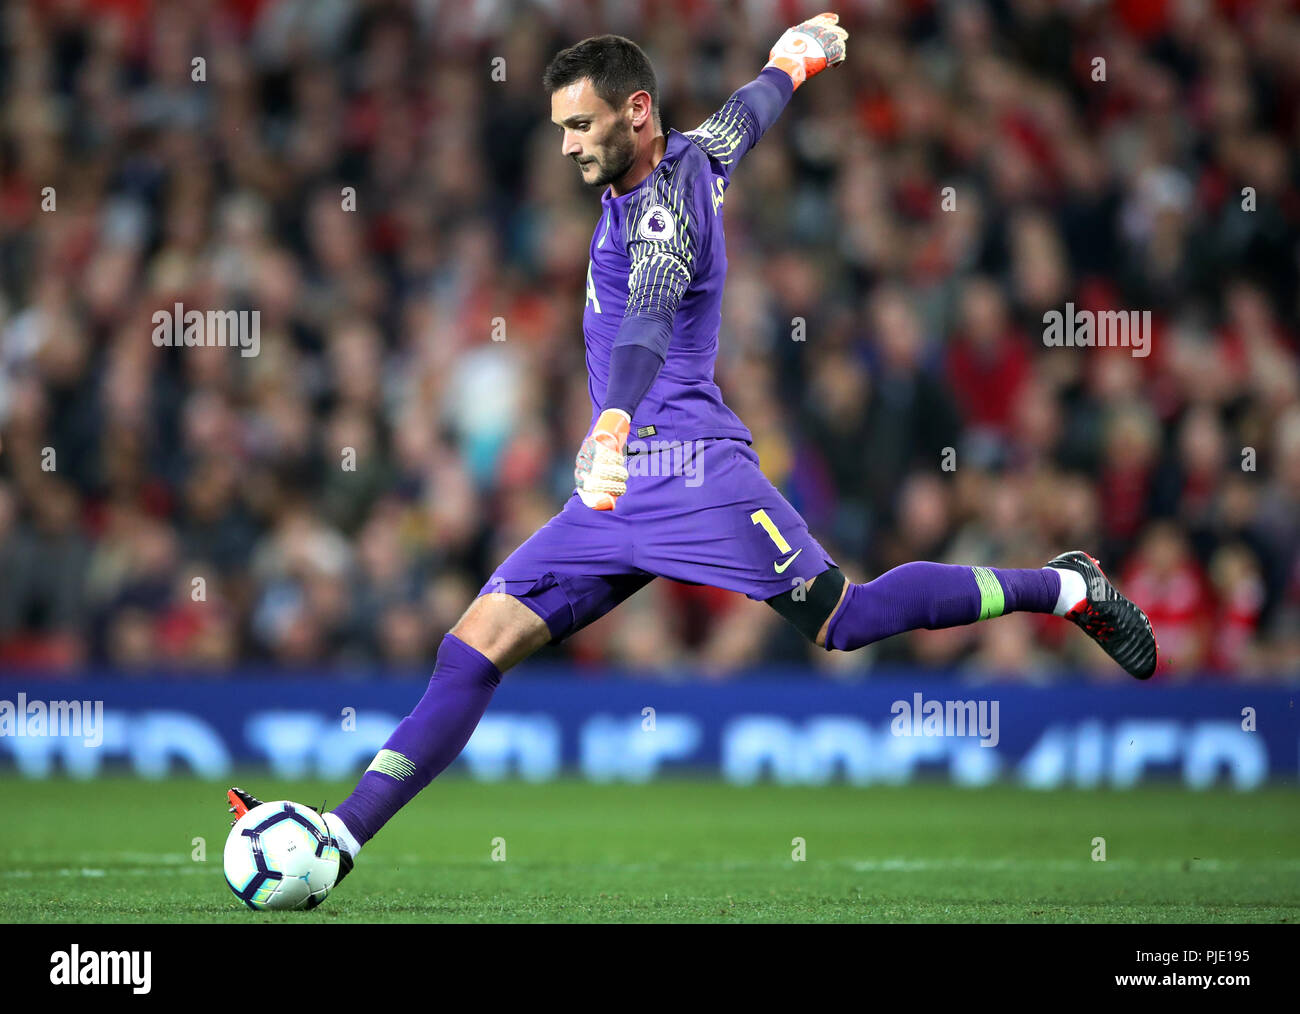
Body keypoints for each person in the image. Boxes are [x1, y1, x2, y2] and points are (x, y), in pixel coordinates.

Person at [226, 13, 1158, 893]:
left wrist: (613, 425)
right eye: (559, 127)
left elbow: (645, 321)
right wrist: (794, 59)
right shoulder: (694, 156)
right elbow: (745, 118)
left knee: (847, 619)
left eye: (580, 124)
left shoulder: (661, 216)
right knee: (472, 650)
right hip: (618, 490)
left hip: (686, 470)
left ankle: (1067, 587)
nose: (566, 146)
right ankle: (342, 836)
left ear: (635, 112)